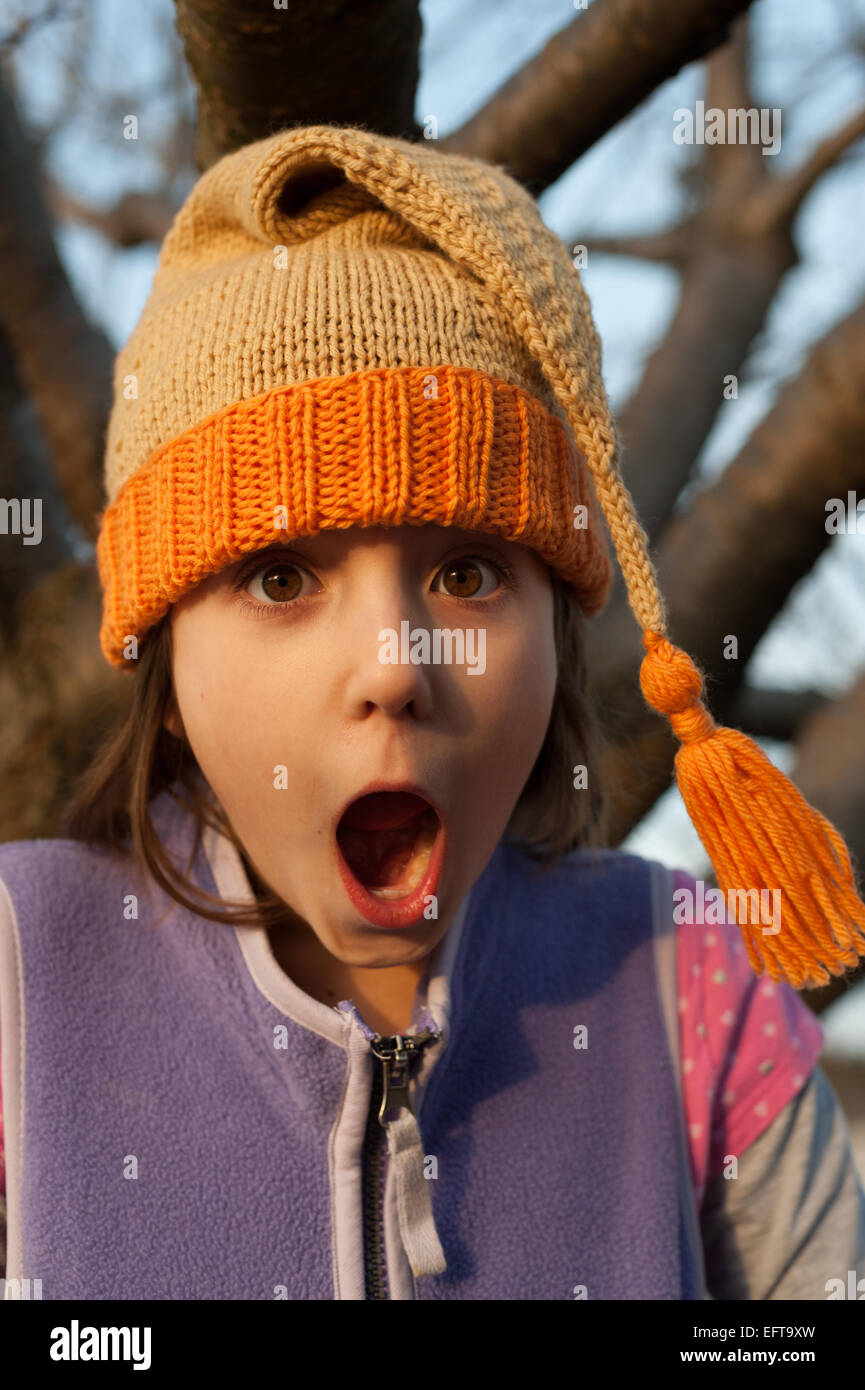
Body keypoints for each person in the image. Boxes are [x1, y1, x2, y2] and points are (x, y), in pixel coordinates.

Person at [1, 123, 864, 1302]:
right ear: (163, 676)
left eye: (466, 574)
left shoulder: (685, 984)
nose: (395, 666)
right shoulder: (20, 982)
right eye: (280, 577)